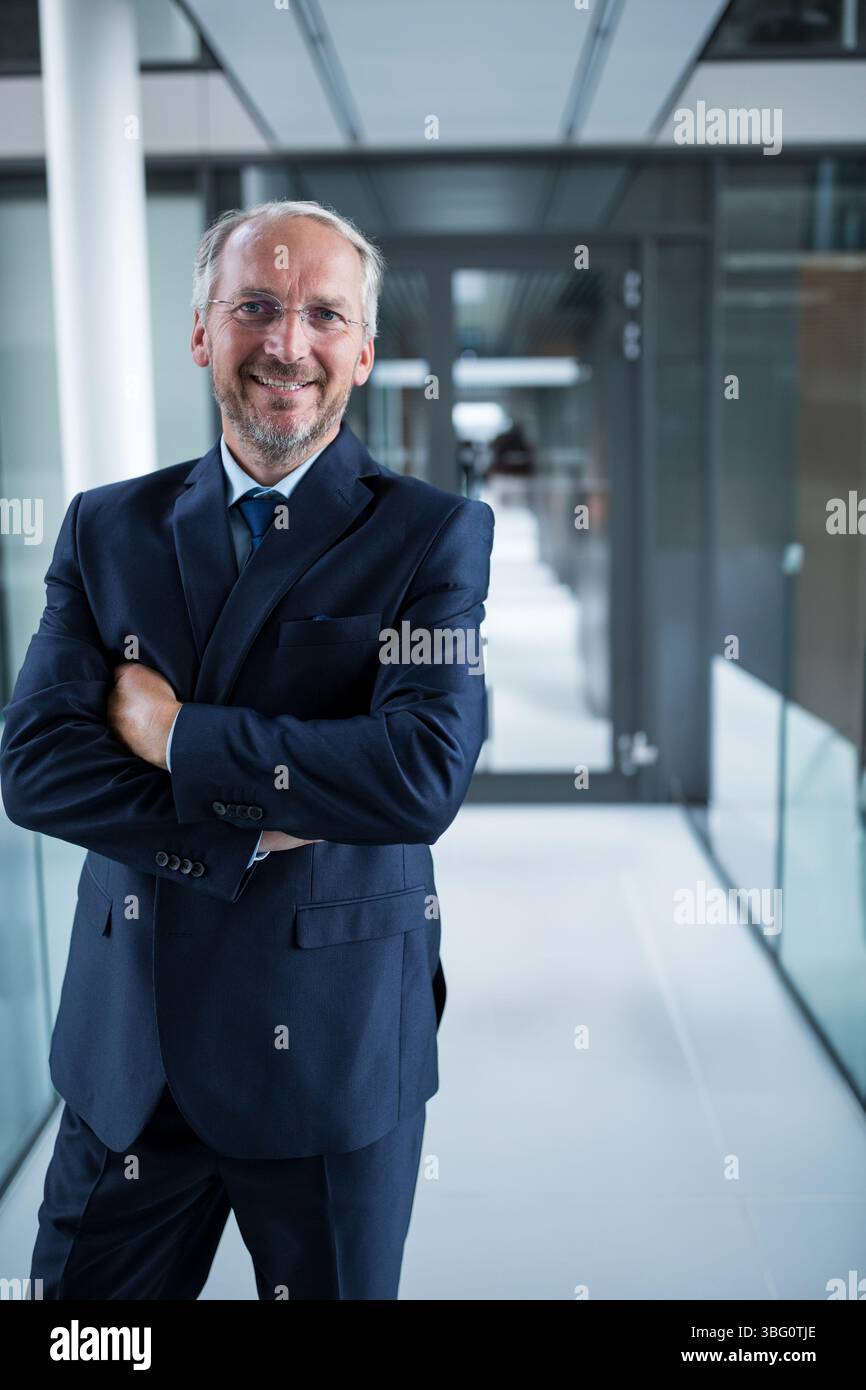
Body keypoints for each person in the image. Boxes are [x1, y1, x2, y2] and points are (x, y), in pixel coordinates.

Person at [0, 199, 494, 1300]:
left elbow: (418, 773)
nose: (287, 342)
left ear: (362, 351)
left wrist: (169, 734)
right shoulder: (105, 527)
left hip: (328, 1047)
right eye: (255, 307)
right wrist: (255, 817)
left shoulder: (429, 535)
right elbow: (34, 764)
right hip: (129, 1054)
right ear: (201, 332)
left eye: (323, 313)